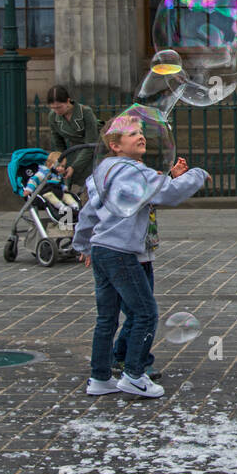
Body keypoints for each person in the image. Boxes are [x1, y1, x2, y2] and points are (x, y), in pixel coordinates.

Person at [73, 116, 207, 399]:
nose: (141, 136)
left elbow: (88, 213)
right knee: (145, 313)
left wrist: (84, 245)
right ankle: (134, 374)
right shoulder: (133, 171)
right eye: (132, 133)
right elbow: (168, 195)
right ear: (115, 145)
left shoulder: (102, 172)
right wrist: (196, 174)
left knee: (106, 318)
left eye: (141, 132)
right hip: (122, 253)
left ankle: (100, 377)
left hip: (103, 250)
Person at [46, 86, 101, 190]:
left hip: (94, 149)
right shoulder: (53, 116)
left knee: (92, 183)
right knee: (65, 179)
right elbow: (58, 143)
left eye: (59, 107)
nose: (56, 111)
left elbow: (91, 142)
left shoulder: (85, 112)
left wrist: (74, 167)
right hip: (73, 151)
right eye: (53, 108)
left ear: (68, 101)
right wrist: (62, 162)